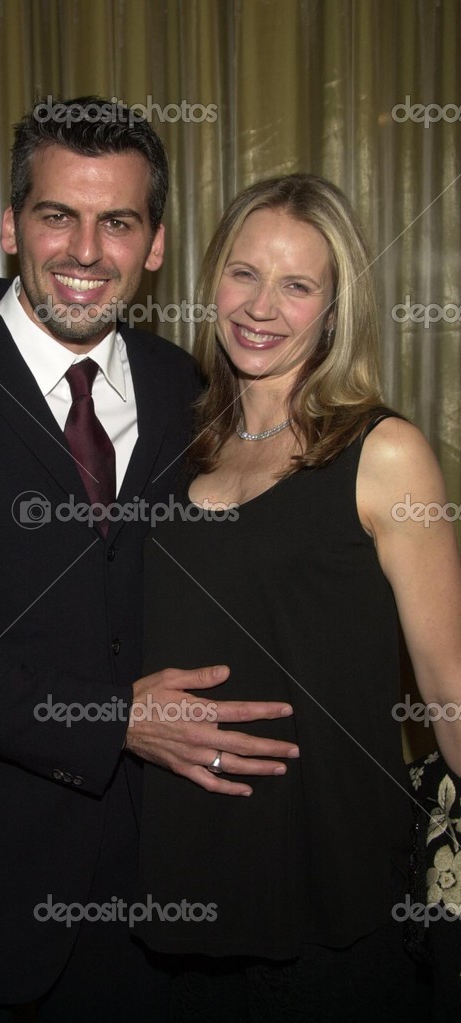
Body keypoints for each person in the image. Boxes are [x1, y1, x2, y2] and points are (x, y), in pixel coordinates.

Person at [0, 98, 299, 1023]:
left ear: (154, 244)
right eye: (56, 216)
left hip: (150, 914)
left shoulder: (188, 391)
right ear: (10, 226)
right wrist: (111, 717)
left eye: (116, 221)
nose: (84, 251)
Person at [136, 173, 461, 1022]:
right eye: (243, 272)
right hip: (174, 896)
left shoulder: (383, 452)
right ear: (210, 279)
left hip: (329, 898)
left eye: (297, 284)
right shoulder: (172, 444)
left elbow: (447, 683)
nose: (260, 305)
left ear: (334, 306)